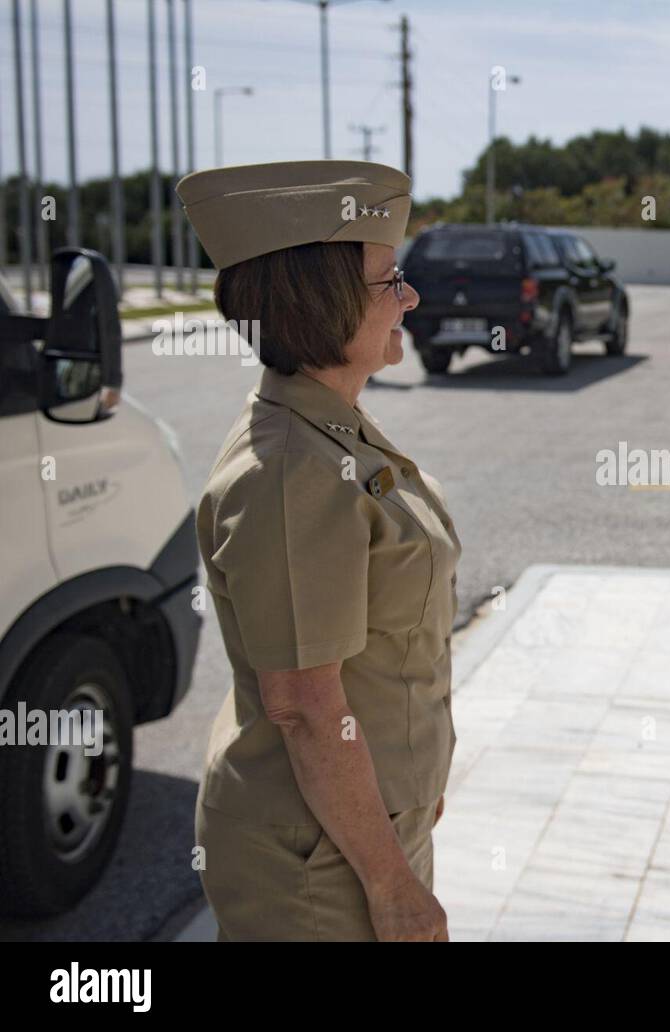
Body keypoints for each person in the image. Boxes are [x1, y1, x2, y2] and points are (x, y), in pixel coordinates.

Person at [178, 160, 461, 941]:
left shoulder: (327, 426)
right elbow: (305, 708)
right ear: (319, 299)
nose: (410, 296)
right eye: (389, 280)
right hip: (319, 860)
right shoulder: (294, 469)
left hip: (357, 829)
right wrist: (393, 885)